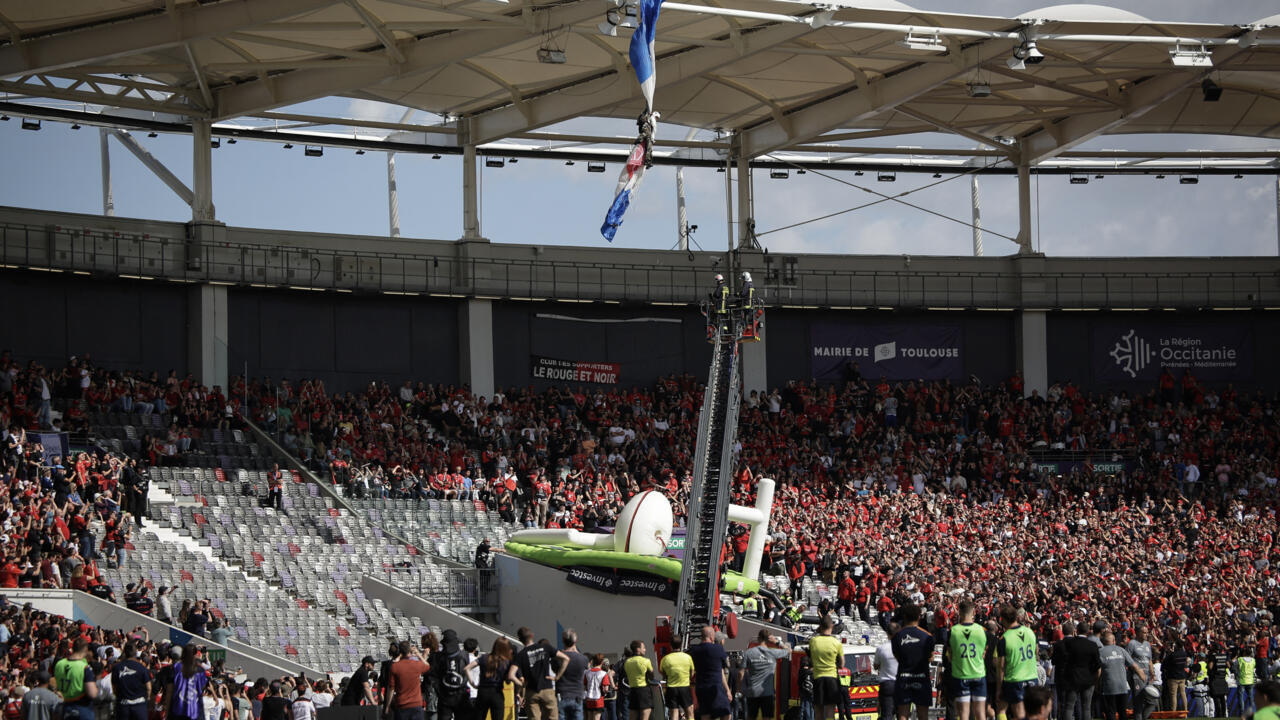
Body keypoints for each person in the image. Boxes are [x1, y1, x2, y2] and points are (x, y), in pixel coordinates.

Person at [515, 628, 569, 720]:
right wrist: (557, 677)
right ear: (532, 635)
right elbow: (566, 659)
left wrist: (521, 686)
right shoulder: (545, 647)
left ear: (520, 639)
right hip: (547, 689)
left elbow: (511, 675)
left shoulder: (521, 655)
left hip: (531, 691)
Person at [995, 606, 1038, 720]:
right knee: (1032, 713)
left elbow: (1001, 667)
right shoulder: (1030, 632)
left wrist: (999, 688)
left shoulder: (1004, 638)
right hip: (1032, 677)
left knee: (1019, 715)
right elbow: (1036, 652)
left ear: (1003, 619)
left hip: (1015, 679)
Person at [892, 606, 934, 720]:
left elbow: (897, 657)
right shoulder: (927, 636)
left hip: (903, 678)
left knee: (903, 715)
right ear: (919, 617)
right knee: (923, 716)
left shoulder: (897, 636)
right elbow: (931, 658)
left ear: (904, 617)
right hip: (922, 678)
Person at [947, 603, 987, 720]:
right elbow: (984, 652)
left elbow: (950, 654)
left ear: (959, 613)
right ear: (973, 613)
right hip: (978, 674)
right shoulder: (981, 630)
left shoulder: (953, 630)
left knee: (963, 713)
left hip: (961, 675)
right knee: (980, 713)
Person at [467, 638, 520, 720]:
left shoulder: (484, 657)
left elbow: (467, 668)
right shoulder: (506, 662)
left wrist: (472, 683)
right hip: (497, 693)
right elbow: (508, 681)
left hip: (482, 692)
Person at [1057, 622, 1100, 720]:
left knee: (1069, 706)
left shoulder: (1069, 643)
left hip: (1072, 678)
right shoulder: (1092, 645)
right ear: (1088, 631)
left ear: (1076, 630)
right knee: (1086, 708)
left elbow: (1064, 659)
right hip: (1088, 679)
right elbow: (1097, 664)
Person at [743, 630, 790, 720]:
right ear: (769, 640)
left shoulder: (749, 652)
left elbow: (741, 671)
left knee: (751, 717)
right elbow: (789, 650)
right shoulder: (773, 653)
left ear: (759, 638)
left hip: (753, 692)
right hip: (767, 692)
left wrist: (739, 688)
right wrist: (777, 642)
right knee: (767, 717)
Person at [687, 627, 732, 720]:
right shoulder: (718, 649)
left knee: (705, 713)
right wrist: (727, 690)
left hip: (701, 687)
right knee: (726, 711)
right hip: (716, 687)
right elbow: (723, 669)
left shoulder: (694, 650)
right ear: (712, 636)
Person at [1097, 632, 1143, 720]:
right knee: (1122, 712)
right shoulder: (1121, 650)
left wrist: (1096, 683)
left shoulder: (1100, 652)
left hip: (1109, 687)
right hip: (1122, 686)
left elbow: (1098, 670)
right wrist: (1142, 676)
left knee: (1111, 712)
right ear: (1114, 641)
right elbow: (1134, 665)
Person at [384, 640, 432, 720]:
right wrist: (419, 655)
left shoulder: (395, 667)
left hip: (401, 705)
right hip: (416, 704)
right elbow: (427, 666)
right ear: (409, 650)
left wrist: (387, 706)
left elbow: (391, 688)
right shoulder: (416, 665)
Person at [810, 617, 845, 720]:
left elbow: (812, 659)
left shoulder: (813, 641)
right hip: (832, 679)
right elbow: (842, 664)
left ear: (820, 626)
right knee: (830, 711)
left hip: (818, 678)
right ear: (832, 626)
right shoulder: (837, 643)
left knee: (818, 710)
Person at [54, 638, 99, 720]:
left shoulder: (59, 664)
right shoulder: (84, 667)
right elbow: (92, 693)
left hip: (65, 707)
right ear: (86, 649)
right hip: (82, 709)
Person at [163, 645, 208, 720]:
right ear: (196, 654)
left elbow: (169, 691)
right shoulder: (200, 670)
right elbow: (202, 688)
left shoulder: (176, 667)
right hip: (195, 709)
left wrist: (167, 710)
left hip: (177, 708)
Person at [111, 641, 152, 720]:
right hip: (139, 707)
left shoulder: (117, 668)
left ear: (125, 652)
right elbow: (149, 688)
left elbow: (114, 688)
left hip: (123, 706)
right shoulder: (142, 668)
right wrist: (146, 700)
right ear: (136, 652)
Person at [557, 629, 589, 720]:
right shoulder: (583, 659)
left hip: (561, 695)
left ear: (563, 641)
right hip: (577, 696)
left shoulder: (558, 658)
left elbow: (554, 670)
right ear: (575, 641)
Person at [659, 636, 694, 720]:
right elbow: (692, 673)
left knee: (674, 714)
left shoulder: (665, 659)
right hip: (685, 687)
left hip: (671, 689)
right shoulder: (688, 657)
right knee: (689, 713)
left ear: (670, 645)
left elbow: (663, 673)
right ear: (681, 645)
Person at [622, 640, 654, 720]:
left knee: (632, 716)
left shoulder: (627, 662)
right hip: (644, 691)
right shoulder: (646, 661)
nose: (645, 650)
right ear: (638, 649)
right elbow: (651, 677)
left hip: (632, 691)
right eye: (643, 648)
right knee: (645, 715)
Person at [874, 623, 899, 720]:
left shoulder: (881, 648)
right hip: (900, 683)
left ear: (887, 633)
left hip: (887, 683)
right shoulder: (903, 647)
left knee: (887, 715)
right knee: (902, 714)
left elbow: (876, 666)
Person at [585, 655, 611, 720]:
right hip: (598, 699)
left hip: (589, 698)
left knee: (590, 718)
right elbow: (606, 689)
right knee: (596, 718)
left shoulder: (587, 672)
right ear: (602, 662)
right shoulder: (604, 673)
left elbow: (585, 686)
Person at [1237, 648, 1259, 718]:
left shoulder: (1240, 659)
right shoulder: (1253, 660)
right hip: (1250, 680)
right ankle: (1253, 711)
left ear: (1244, 653)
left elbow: (1237, 667)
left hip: (1242, 680)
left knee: (1241, 697)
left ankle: (1242, 713)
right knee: (1251, 698)